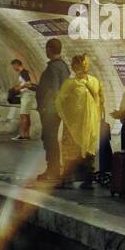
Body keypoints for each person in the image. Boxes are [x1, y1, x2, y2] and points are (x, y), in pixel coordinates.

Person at [56, 54, 104, 190]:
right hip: (73, 125)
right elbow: (60, 101)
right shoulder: (70, 83)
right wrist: (66, 116)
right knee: (70, 151)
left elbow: (100, 99)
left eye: (84, 65)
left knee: (89, 152)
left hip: (89, 124)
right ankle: (66, 179)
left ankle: (88, 179)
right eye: (79, 65)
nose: (82, 68)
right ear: (73, 67)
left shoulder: (94, 81)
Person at [35, 38, 70, 183]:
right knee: (52, 138)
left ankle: (52, 170)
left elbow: (54, 90)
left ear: (49, 49)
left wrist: (44, 107)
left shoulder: (53, 68)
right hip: (59, 108)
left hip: (51, 110)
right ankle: (53, 169)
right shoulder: (64, 67)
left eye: (46, 48)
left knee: (49, 139)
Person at [7, 58, 36, 141]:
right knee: (26, 115)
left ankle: (22, 135)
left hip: (27, 94)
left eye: (13, 66)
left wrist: (18, 88)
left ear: (16, 65)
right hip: (27, 94)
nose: (13, 68)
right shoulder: (24, 72)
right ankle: (26, 134)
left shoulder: (24, 72)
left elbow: (28, 83)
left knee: (23, 115)